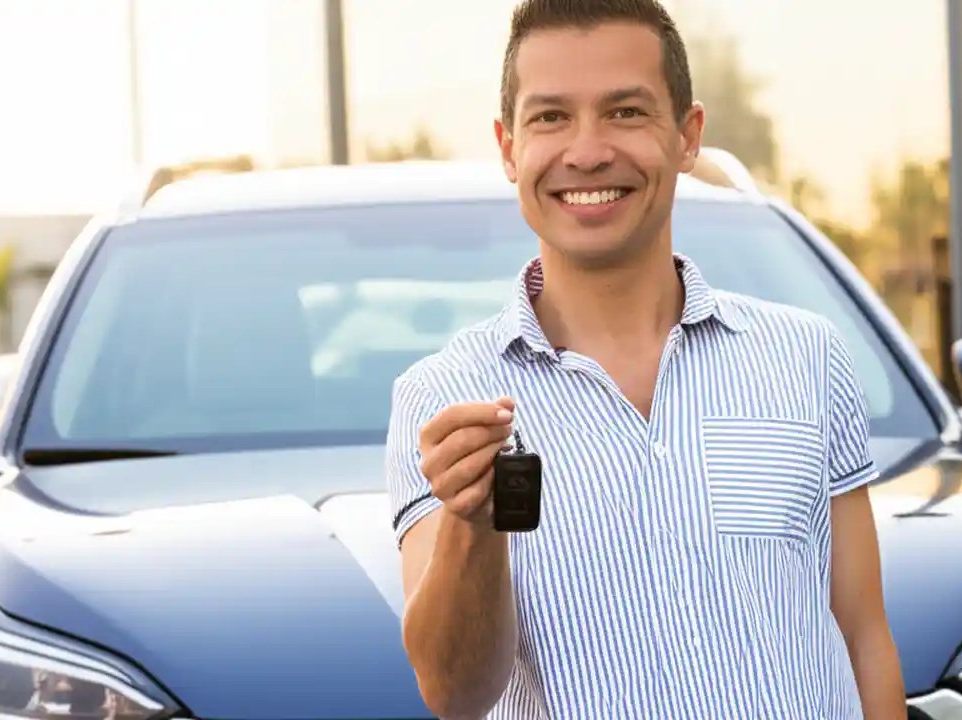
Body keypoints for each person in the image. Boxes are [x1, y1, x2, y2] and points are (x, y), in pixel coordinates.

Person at [383, 0, 907, 718]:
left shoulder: (807, 358)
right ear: (509, 148)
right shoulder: (442, 398)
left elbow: (864, 638)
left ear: (687, 136)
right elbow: (454, 694)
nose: (588, 150)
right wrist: (470, 524)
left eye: (626, 112)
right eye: (550, 118)